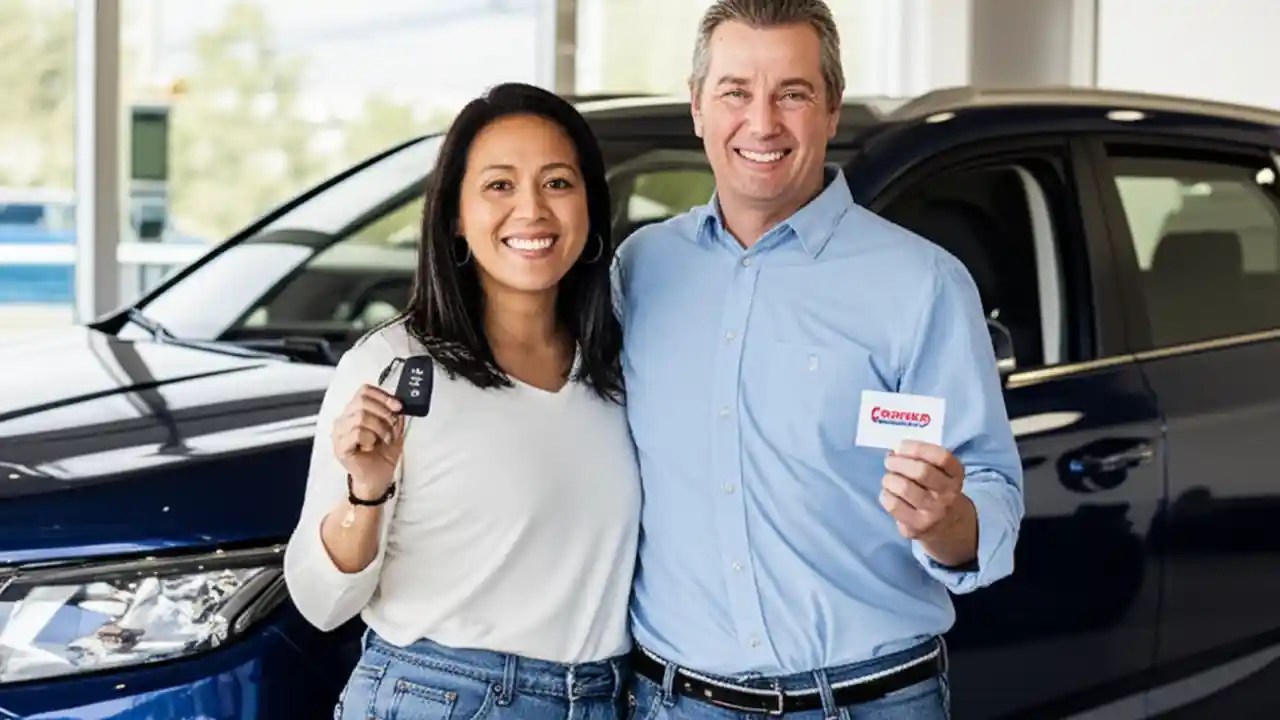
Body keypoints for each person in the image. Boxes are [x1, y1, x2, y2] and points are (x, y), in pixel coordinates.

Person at [611, 1, 1025, 718]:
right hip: (675, 703)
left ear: (832, 108)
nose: (763, 123)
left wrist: (945, 522)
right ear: (698, 107)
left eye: (793, 94)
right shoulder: (641, 268)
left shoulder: (921, 284)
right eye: (736, 91)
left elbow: (991, 489)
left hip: (872, 701)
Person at [284, 82, 639, 720]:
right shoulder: (393, 366)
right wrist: (367, 493)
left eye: (557, 183)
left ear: (590, 205)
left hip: (602, 697)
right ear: (454, 213)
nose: (531, 211)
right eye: (499, 185)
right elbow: (320, 601)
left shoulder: (620, 361)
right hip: (439, 696)